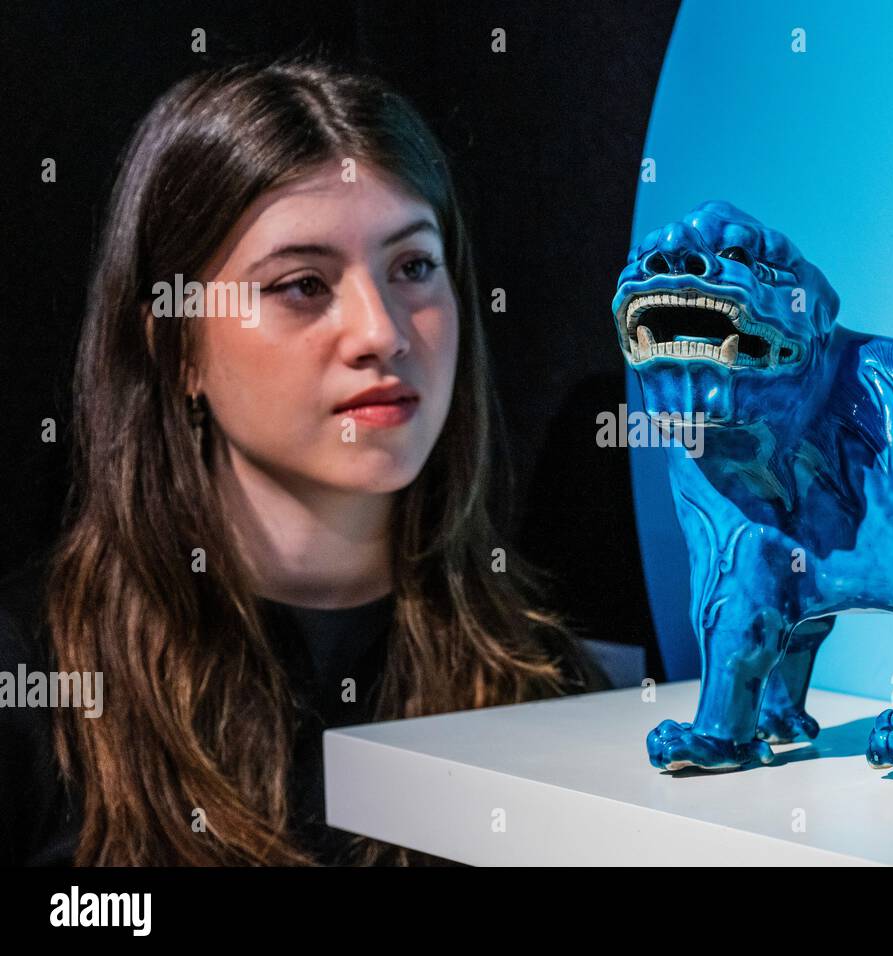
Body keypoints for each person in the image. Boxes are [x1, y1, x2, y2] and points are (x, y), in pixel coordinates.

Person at [0, 59, 609, 866]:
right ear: (175, 345)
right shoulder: (34, 684)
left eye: (413, 268)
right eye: (302, 285)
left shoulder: (545, 685)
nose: (381, 332)